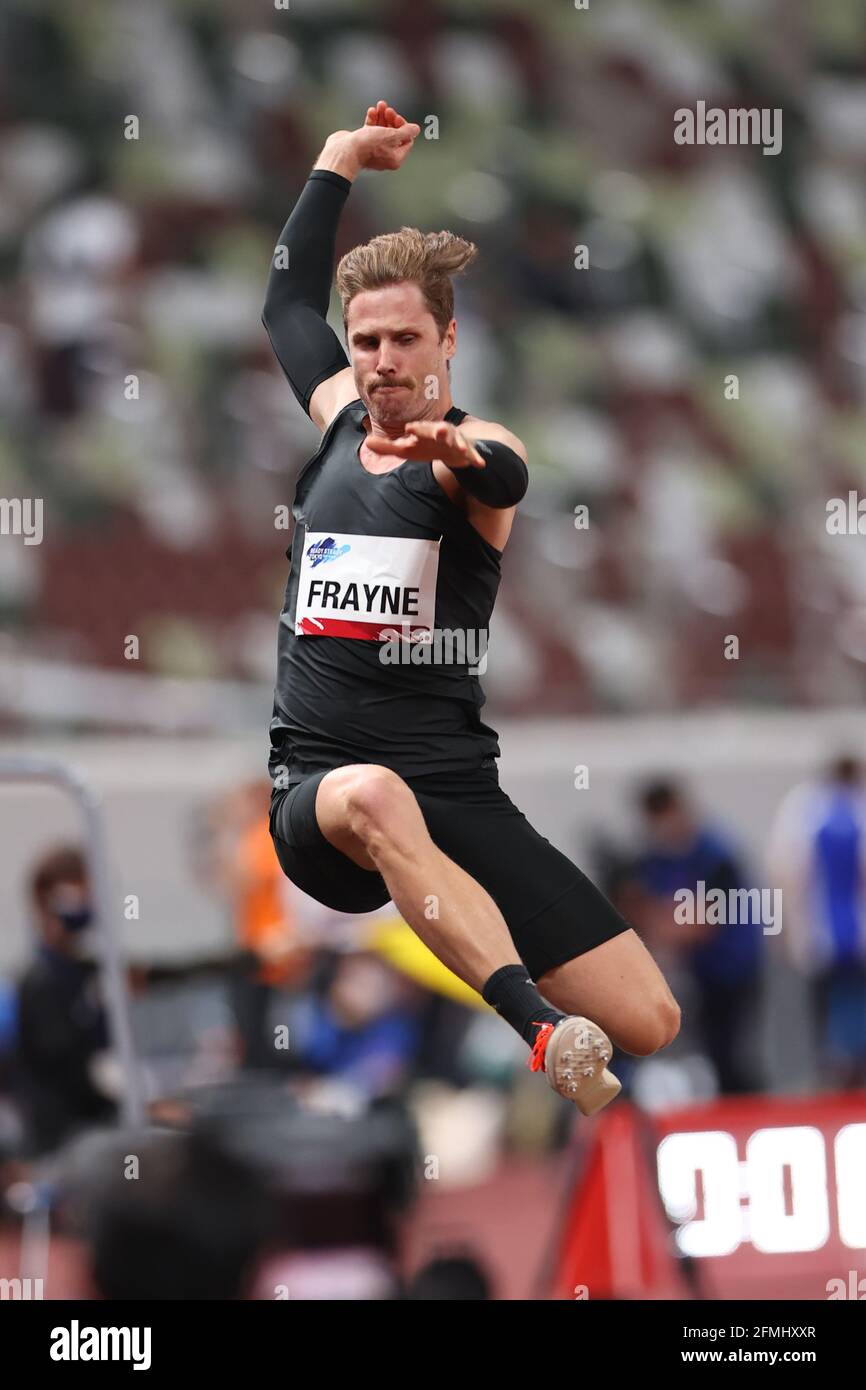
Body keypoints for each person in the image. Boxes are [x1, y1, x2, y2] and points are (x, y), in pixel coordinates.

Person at [263, 100, 680, 1114]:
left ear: (446, 339)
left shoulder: (475, 450)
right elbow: (282, 309)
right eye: (365, 342)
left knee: (650, 1019)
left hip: (452, 793)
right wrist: (335, 158)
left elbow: (501, 480)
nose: (380, 362)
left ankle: (569, 1024)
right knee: (372, 796)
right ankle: (541, 1038)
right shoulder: (335, 422)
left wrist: (454, 450)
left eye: (404, 340)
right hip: (320, 795)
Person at [631, 779, 765, 1095]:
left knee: (730, 1053)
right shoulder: (661, 859)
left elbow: (701, 921)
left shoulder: (715, 853)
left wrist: (659, 924)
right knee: (711, 1052)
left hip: (734, 968)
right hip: (701, 971)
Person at [767, 755, 866, 1088]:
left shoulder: (804, 810)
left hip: (821, 937)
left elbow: (785, 873)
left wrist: (784, 931)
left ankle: (835, 1077)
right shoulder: (824, 809)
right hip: (845, 934)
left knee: (826, 1019)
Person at [13, 846, 116, 1155]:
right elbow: (67, 1068)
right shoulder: (41, 982)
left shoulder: (83, 972)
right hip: (64, 1140)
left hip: (91, 1125)